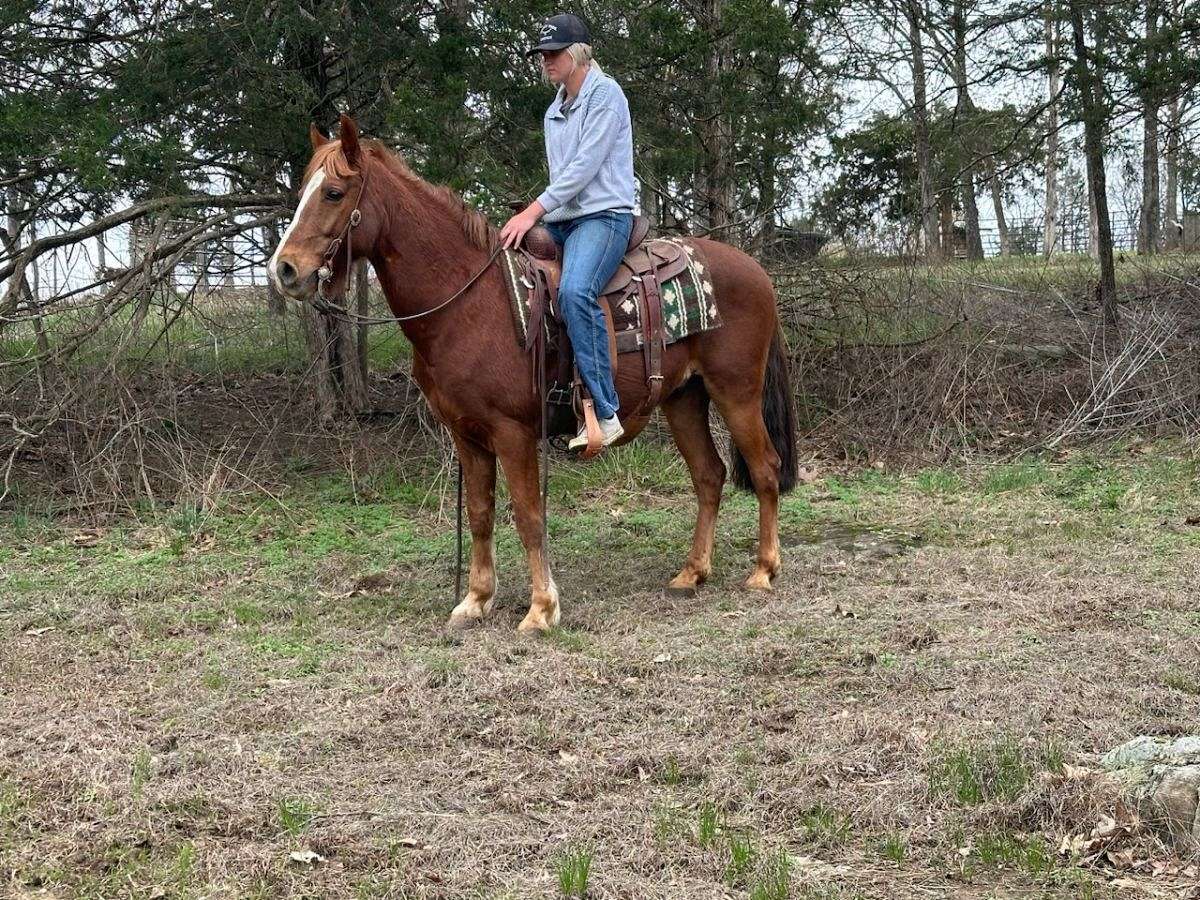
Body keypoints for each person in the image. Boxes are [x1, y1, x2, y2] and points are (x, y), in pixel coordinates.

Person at [499, 13, 636, 452]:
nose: (545, 61)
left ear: (577, 53)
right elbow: (564, 178)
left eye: (553, 53)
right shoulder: (553, 111)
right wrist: (538, 219)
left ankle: (607, 410)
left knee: (576, 291)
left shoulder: (607, 95)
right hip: (564, 222)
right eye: (541, 55)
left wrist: (532, 212)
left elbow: (582, 170)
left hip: (604, 216)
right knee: (507, 271)